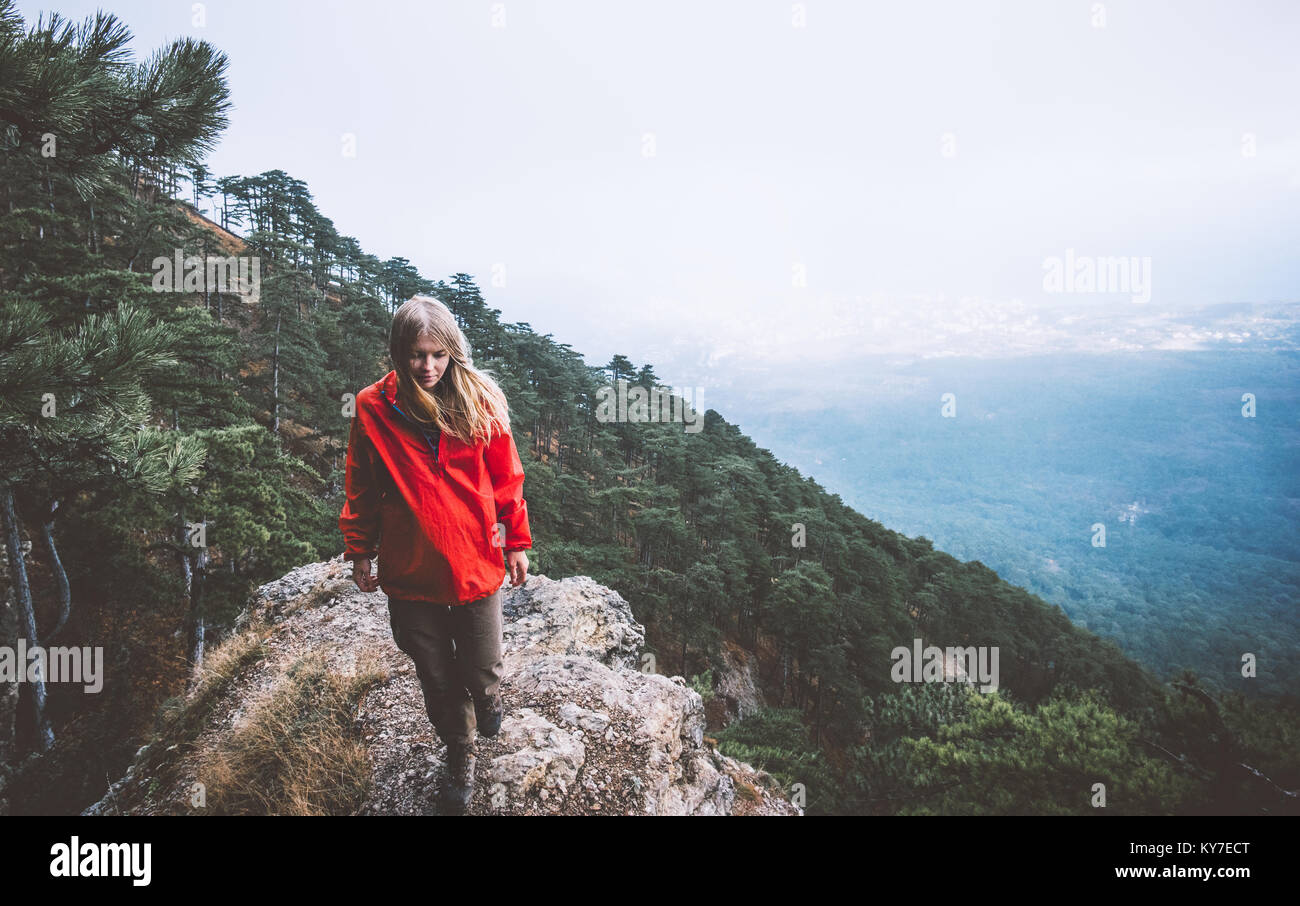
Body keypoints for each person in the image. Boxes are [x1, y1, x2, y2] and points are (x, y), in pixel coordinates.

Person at [339, 293, 532, 814]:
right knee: (435, 671)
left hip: (474, 557)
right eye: (417, 355)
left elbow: (506, 476)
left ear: (453, 353)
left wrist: (515, 539)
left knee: (482, 663)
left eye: (438, 355)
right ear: (398, 353)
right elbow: (362, 481)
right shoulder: (373, 407)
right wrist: (360, 547)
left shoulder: (478, 400)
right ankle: (460, 754)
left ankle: (488, 696)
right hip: (411, 564)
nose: (428, 366)